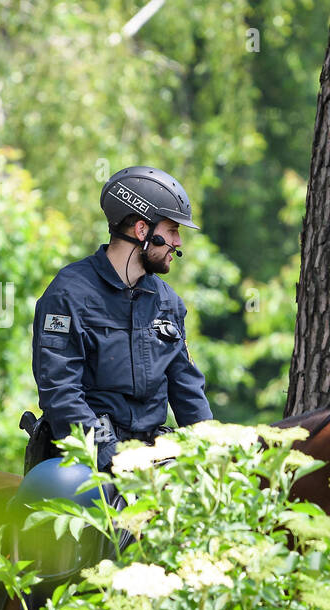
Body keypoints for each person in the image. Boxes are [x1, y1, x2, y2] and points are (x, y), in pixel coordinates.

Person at [23, 165, 213, 474]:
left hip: (155, 458)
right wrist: (112, 456)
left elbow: (188, 390)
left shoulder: (167, 301)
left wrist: (215, 453)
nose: (178, 242)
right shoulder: (68, 294)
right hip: (86, 459)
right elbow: (61, 392)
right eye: (172, 230)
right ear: (142, 231)